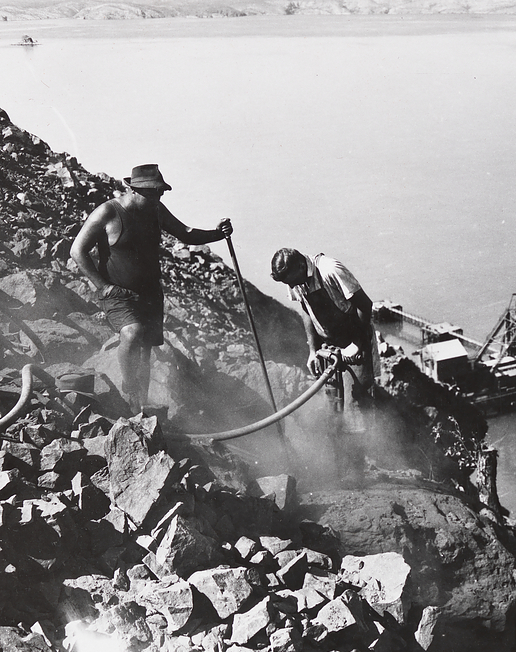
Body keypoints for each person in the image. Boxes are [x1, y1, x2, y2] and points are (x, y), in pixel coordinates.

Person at [70, 164, 233, 410]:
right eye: (154, 191)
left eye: (160, 191)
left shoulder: (156, 210)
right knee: (132, 333)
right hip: (118, 293)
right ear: (134, 190)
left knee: (145, 350)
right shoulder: (107, 212)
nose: (159, 195)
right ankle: (129, 386)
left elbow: (186, 234)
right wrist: (103, 287)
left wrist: (218, 234)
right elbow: (77, 250)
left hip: (149, 293)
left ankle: (139, 409)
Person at [270, 247, 378, 481]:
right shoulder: (296, 280)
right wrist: (313, 350)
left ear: (301, 267)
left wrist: (357, 344)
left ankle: (358, 472)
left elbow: (364, 305)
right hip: (328, 347)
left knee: (355, 405)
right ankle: (340, 466)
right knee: (334, 407)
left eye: (291, 281)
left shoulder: (330, 270)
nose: (291, 287)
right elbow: (306, 312)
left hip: (354, 340)